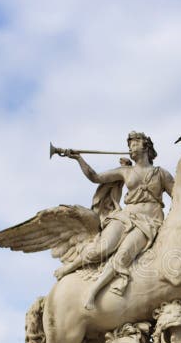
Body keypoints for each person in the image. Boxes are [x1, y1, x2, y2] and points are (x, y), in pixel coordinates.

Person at [55, 131, 174, 306]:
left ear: (145, 147)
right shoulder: (125, 171)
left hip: (149, 221)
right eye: (130, 145)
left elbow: (179, 195)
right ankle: (70, 267)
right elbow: (95, 177)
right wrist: (79, 159)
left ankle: (94, 291)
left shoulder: (161, 173)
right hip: (126, 217)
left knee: (123, 254)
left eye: (135, 144)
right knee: (102, 248)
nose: (131, 148)